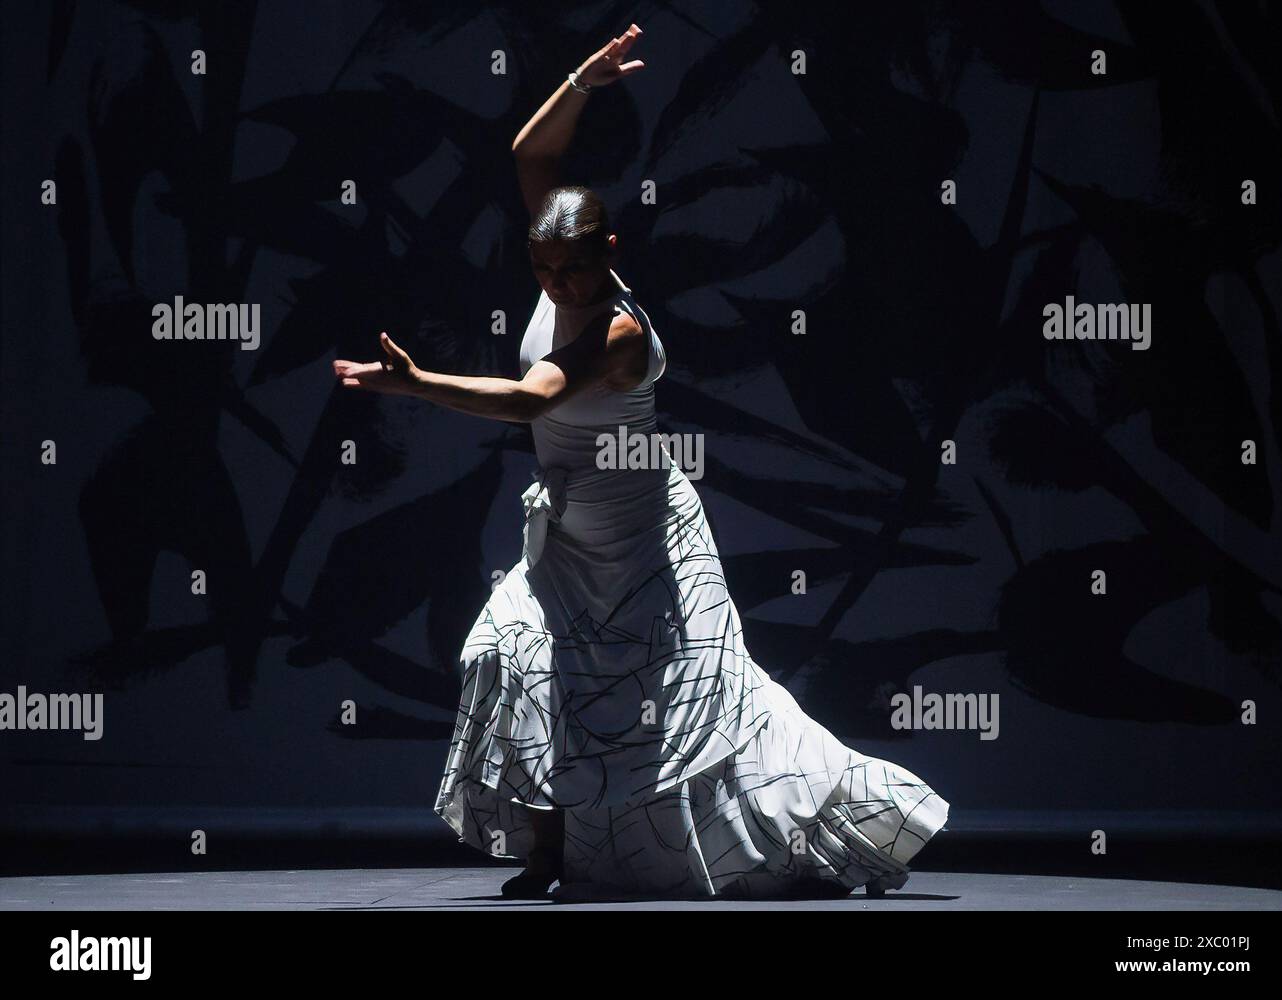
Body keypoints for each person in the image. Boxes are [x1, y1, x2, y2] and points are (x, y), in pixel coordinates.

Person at [332, 23, 949, 901]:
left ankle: (833, 829)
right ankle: (547, 851)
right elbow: (526, 152)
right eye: (543, 270)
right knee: (504, 658)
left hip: (643, 546)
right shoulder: (558, 244)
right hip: (568, 543)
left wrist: (414, 382)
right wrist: (583, 78)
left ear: (608, 253)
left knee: (713, 711)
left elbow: (531, 400)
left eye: (574, 271)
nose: (557, 286)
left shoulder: (618, 331)